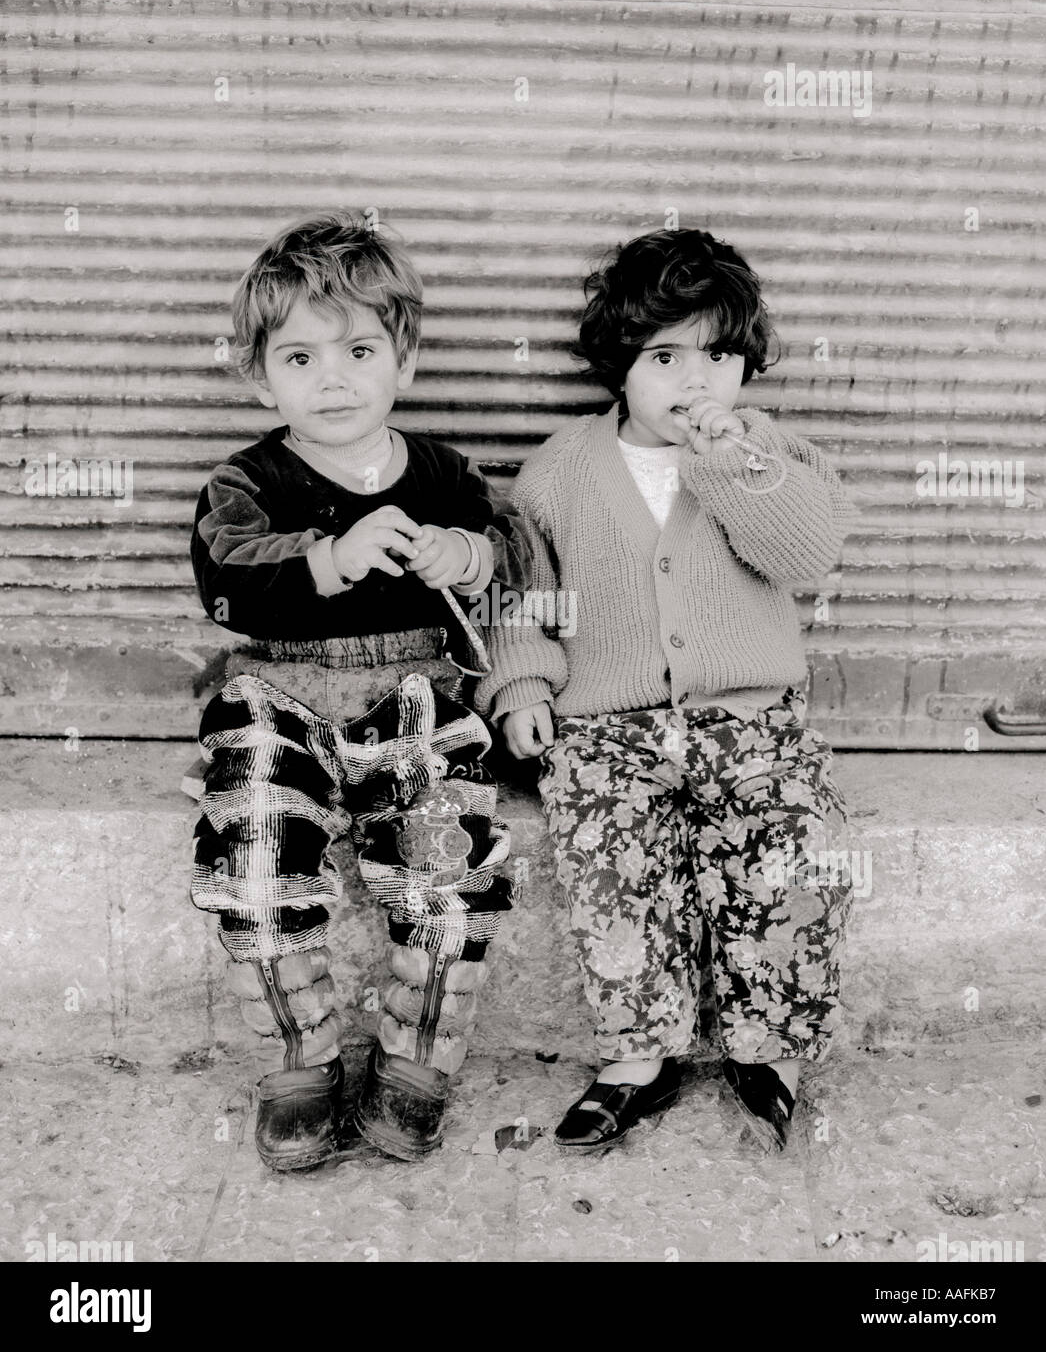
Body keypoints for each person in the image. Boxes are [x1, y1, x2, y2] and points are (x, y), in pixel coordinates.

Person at [476, 227, 857, 1154]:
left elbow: (807, 557)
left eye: (720, 354)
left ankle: (767, 1047)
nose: (696, 382)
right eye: (665, 355)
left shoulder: (771, 455)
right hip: (609, 728)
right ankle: (637, 1060)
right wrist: (523, 680)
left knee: (797, 851)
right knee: (611, 866)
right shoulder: (560, 471)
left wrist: (731, 462)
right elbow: (526, 590)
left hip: (752, 717)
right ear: (619, 363)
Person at [188, 211, 531, 1170]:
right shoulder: (243, 482)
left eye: (360, 350)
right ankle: (300, 1055)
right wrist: (329, 557)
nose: (332, 379)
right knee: (253, 862)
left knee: (448, 874)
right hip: (276, 691)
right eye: (299, 358)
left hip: (413, 688)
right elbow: (227, 576)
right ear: (260, 377)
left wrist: (462, 552)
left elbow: (509, 555)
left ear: (405, 362)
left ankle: (419, 1055)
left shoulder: (443, 474)